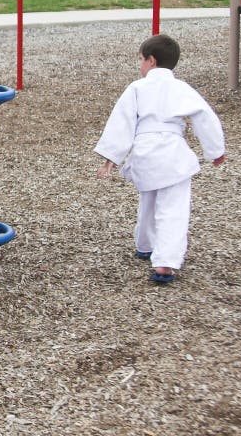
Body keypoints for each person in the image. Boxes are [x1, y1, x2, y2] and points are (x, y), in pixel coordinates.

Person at [94, 34, 225, 284]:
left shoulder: (136, 88)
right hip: (172, 153)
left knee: (149, 201)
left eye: (141, 60)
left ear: (151, 61)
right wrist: (215, 150)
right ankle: (165, 261)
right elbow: (204, 117)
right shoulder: (181, 88)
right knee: (173, 209)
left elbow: (122, 122)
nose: (140, 65)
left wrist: (112, 157)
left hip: (144, 153)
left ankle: (145, 245)